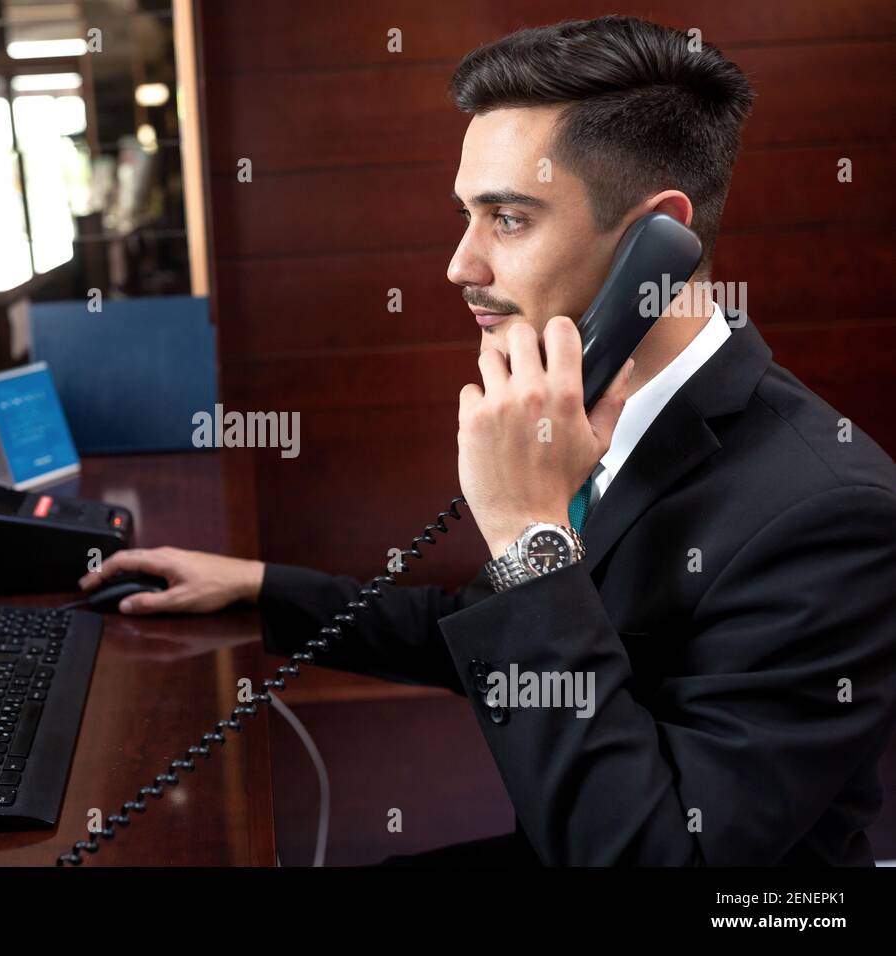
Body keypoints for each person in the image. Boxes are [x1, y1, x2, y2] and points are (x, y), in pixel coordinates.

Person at [80, 15, 896, 865]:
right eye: (468, 215)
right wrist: (258, 588)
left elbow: (655, 851)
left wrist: (528, 534)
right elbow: (490, 622)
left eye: (506, 218)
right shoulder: (585, 408)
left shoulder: (832, 512)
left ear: (660, 243)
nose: (459, 264)